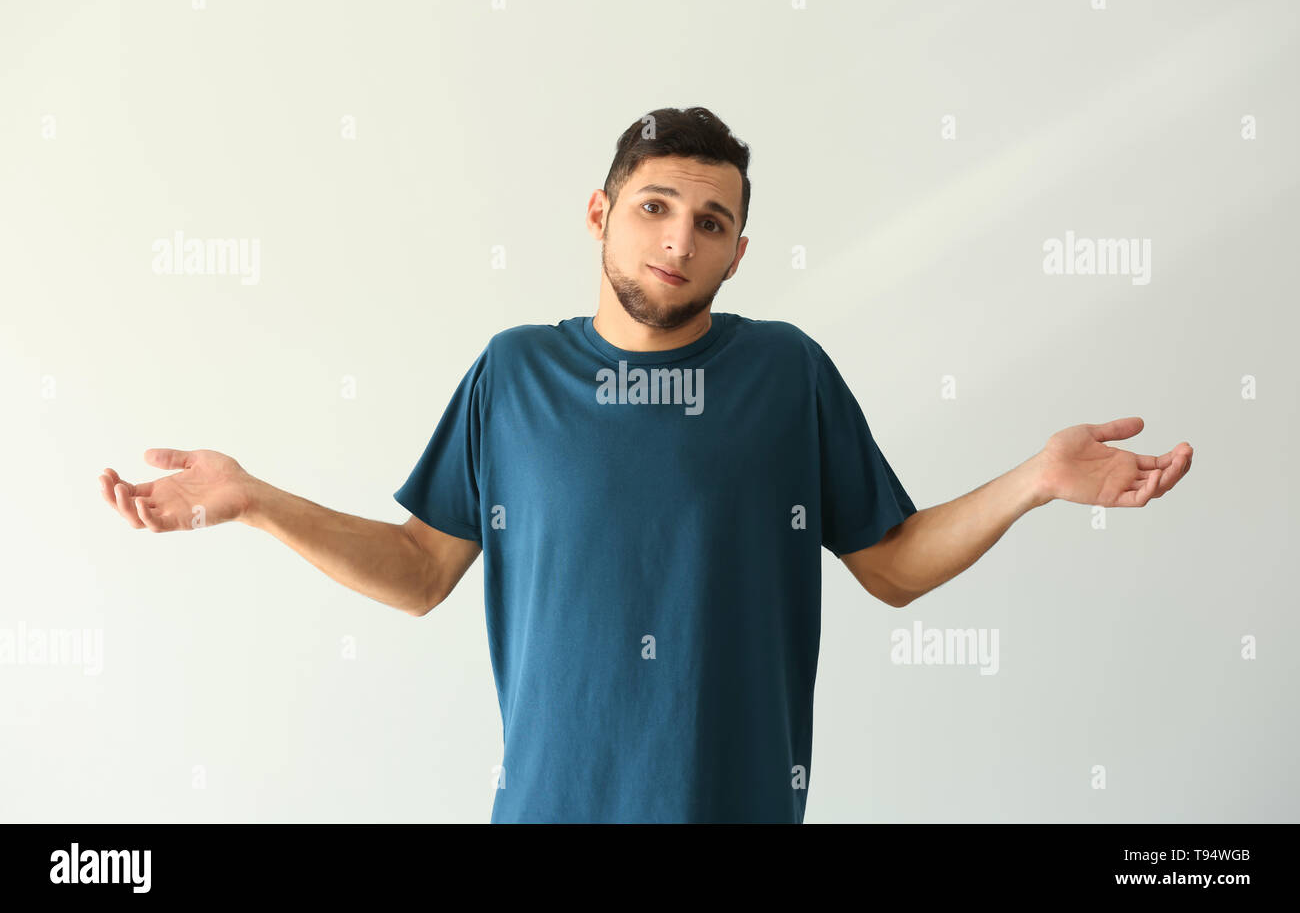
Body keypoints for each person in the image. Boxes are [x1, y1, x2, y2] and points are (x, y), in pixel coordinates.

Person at [98, 105, 1194, 823]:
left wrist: (1034, 479)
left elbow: (893, 562)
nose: (678, 239)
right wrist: (252, 501)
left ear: (738, 250)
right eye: (656, 206)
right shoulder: (512, 373)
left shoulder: (787, 374)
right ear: (601, 213)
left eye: (709, 222)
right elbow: (423, 568)